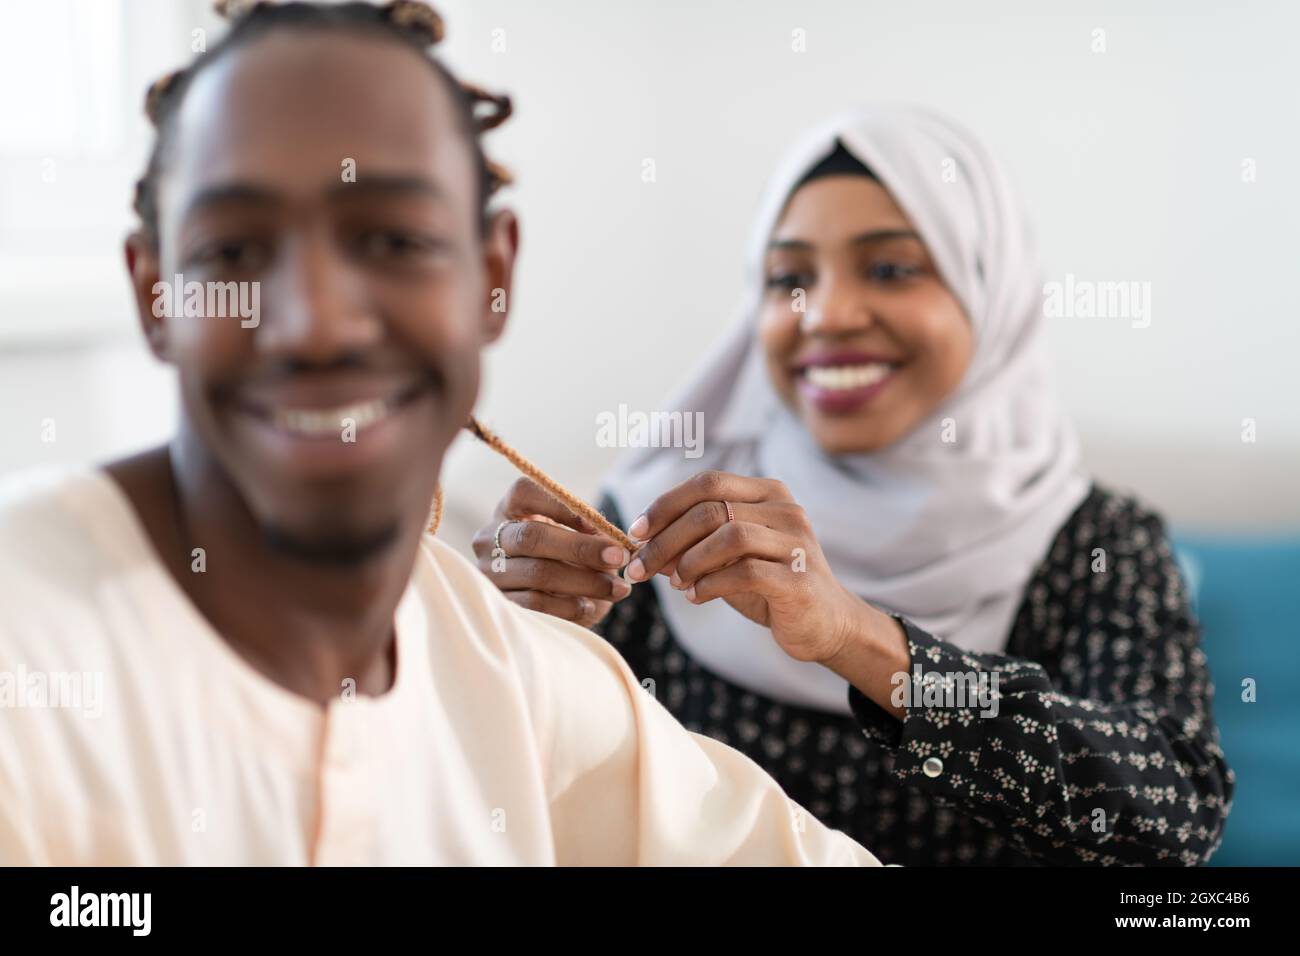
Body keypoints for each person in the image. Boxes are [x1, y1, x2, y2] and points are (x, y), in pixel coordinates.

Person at [0, 0, 882, 867]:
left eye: (393, 241)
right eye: (232, 252)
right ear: (155, 293)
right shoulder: (30, 654)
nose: (317, 325)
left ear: (492, 276)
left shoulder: (506, 671)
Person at [474, 106, 1234, 865]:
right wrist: (509, 639)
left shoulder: (1095, 542)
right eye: (790, 278)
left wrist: (855, 638)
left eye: (892, 268)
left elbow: (1171, 821)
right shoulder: (657, 513)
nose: (828, 314)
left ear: (988, 290)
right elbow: (508, 794)